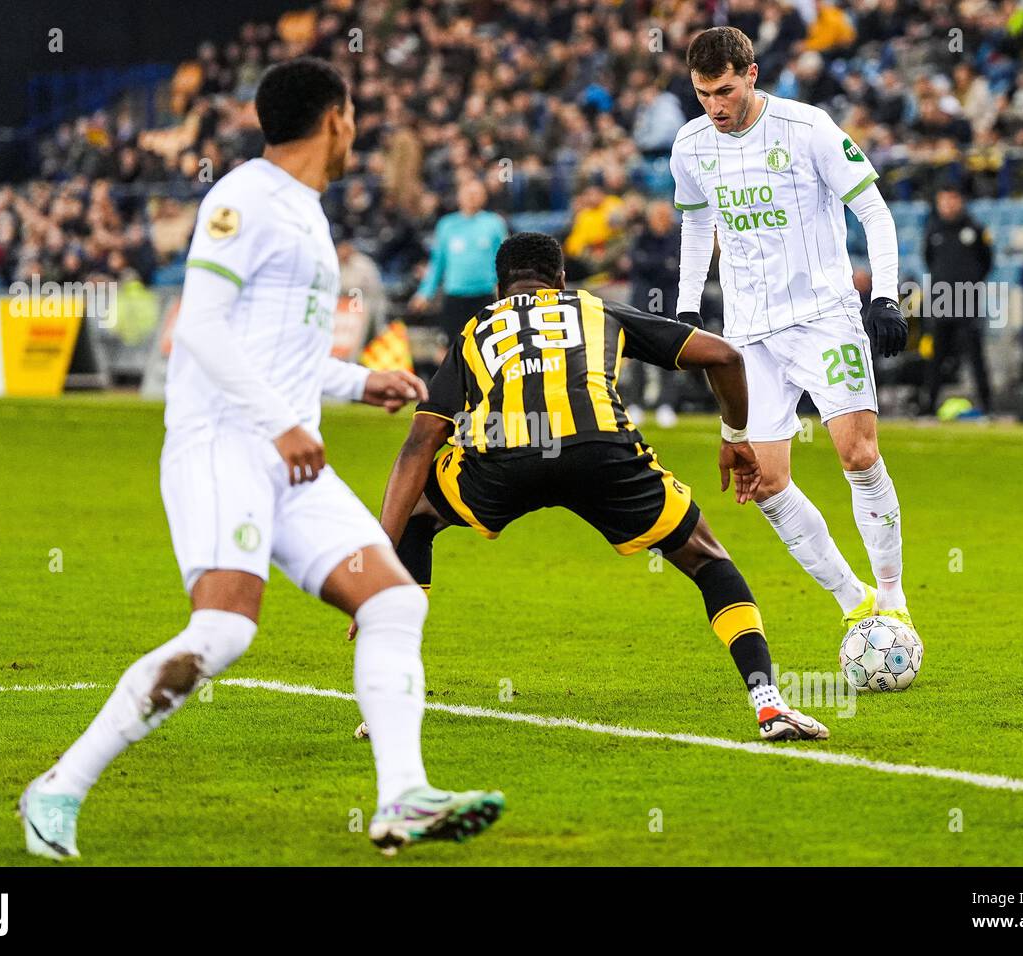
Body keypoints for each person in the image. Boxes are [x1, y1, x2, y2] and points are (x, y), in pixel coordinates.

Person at [20, 58, 503, 861]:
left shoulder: (307, 213)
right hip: (224, 446)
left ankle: (403, 799)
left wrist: (359, 382)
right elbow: (201, 330)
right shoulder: (243, 197)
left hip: (288, 458)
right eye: (353, 117)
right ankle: (57, 790)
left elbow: (276, 352)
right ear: (336, 119)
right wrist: (282, 424)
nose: (357, 132)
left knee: (391, 601)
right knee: (223, 630)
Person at [374, 231, 830, 743]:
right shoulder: (594, 309)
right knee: (708, 560)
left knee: (416, 518)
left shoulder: (478, 328)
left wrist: (380, 557)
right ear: (562, 280)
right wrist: (735, 438)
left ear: (498, 290)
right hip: (601, 452)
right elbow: (724, 356)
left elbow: (422, 439)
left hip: (504, 459)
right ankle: (769, 705)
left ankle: (389, 697)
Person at [669, 27, 914, 637]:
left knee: (858, 454)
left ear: (751, 75)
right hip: (749, 334)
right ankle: (853, 601)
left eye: (724, 90)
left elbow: (874, 212)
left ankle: (893, 598)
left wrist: (883, 295)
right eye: (702, 94)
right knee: (766, 480)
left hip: (825, 318)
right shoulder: (691, 145)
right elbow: (697, 227)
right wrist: (687, 310)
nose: (715, 107)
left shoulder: (808, 128)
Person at [921, 185, 995, 415]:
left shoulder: (974, 229)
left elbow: (986, 261)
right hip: (941, 302)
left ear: (960, 201)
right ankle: (928, 405)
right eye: (944, 200)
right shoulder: (933, 230)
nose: (948, 205)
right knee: (937, 356)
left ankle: (987, 405)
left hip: (967, 302)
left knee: (975, 355)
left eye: (952, 200)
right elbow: (929, 260)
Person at [408, 178, 507, 347]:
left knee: (487, 347)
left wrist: (505, 289)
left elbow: (505, 259)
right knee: (453, 348)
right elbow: (437, 263)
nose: (472, 197)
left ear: (484, 197)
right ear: (459, 196)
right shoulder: (447, 225)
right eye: (468, 193)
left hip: (484, 296)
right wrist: (424, 293)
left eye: (477, 194)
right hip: (455, 296)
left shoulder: (494, 224)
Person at [620, 200, 688, 428]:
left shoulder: (678, 237)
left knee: (668, 354)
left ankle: (666, 404)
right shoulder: (640, 238)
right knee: (636, 354)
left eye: (665, 216)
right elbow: (637, 265)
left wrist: (654, 266)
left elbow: (677, 268)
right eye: (658, 216)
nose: (662, 221)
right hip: (642, 301)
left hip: (669, 301)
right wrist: (662, 265)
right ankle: (634, 403)